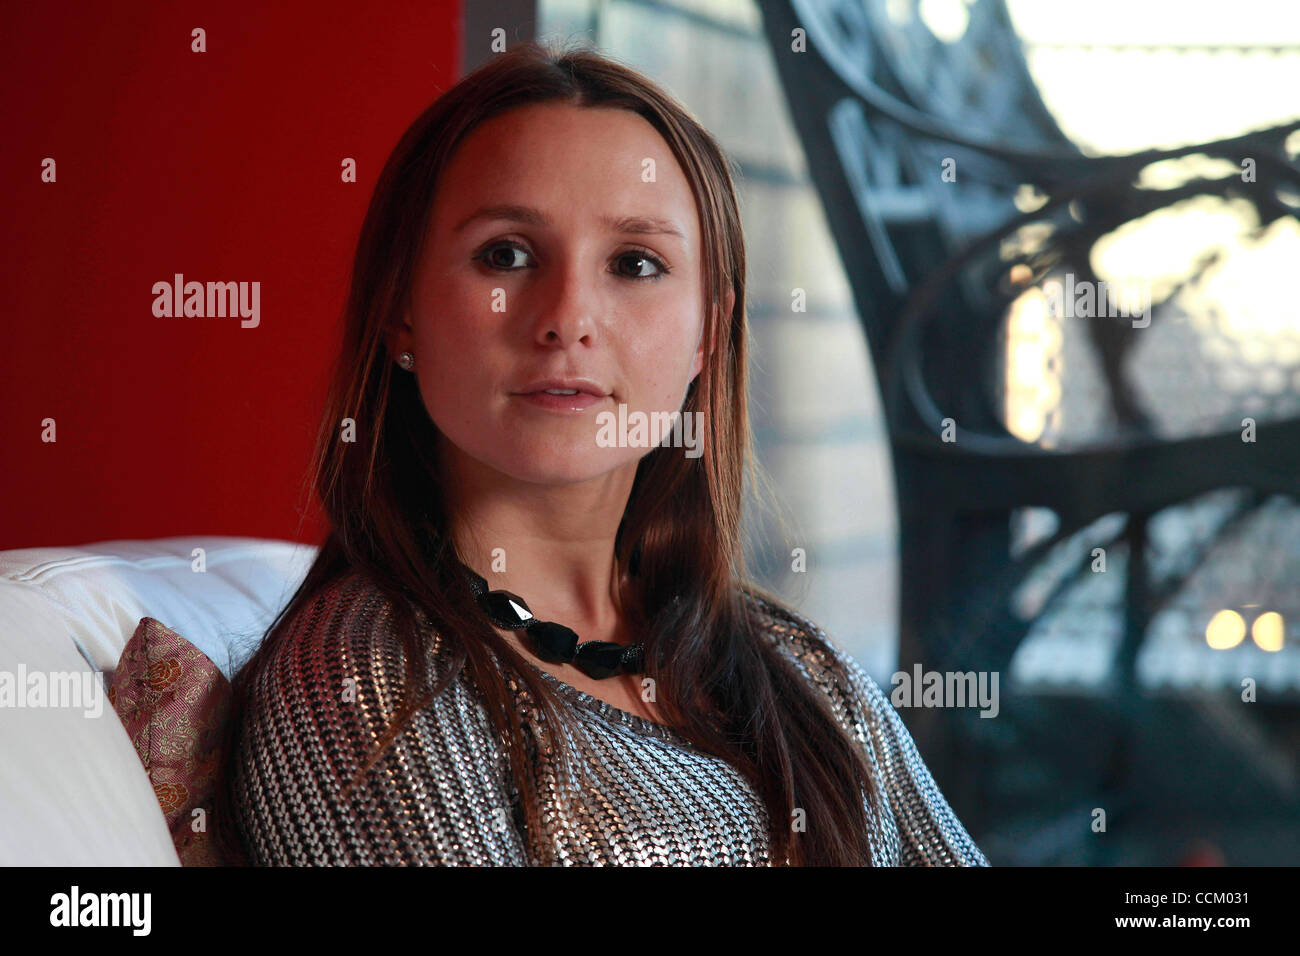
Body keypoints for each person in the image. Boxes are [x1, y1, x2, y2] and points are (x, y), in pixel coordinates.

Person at [216, 40, 990, 867]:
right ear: (402, 310)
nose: (568, 317)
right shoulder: (367, 683)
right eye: (506, 255)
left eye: (635, 263)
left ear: (708, 333)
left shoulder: (798, 667)